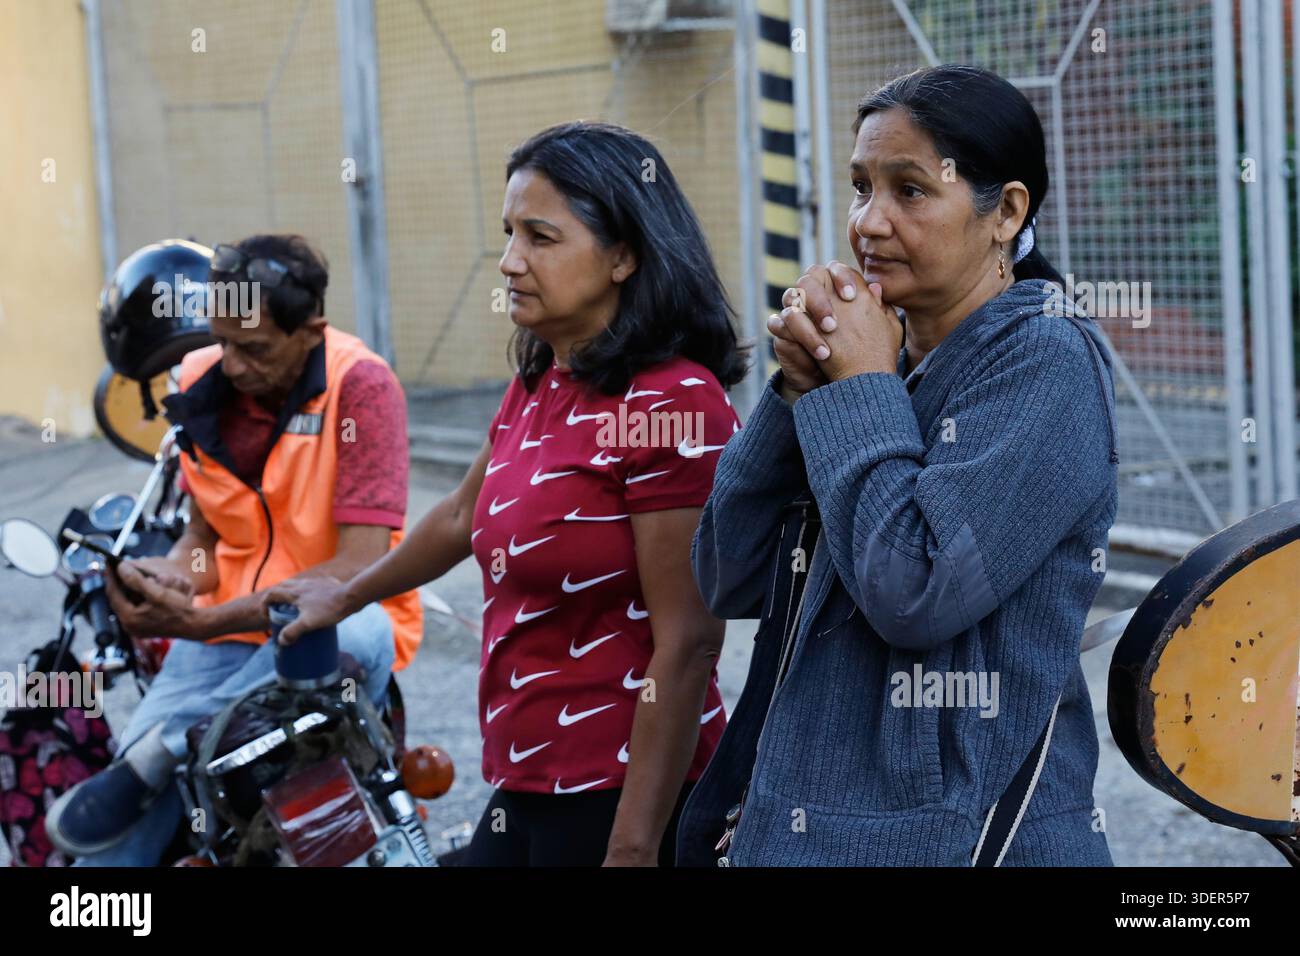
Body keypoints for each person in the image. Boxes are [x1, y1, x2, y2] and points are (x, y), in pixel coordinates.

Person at [267, 121, 748, 866]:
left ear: (624, 254)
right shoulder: (542, 381)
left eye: (540, 238)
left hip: (616, 791)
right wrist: (345, 595)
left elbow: (687, 644)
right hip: (527, 772)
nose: (509, 262)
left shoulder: (673, 407)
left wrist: (632, 845)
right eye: (508, 233)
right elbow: (462, 513)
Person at [692, 65, 1119, 865]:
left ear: (1007, 212)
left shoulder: (1043, 362)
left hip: (960, 839)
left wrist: (856, 386)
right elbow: (728, 573)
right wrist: (797, 389)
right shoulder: (890, 357)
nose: (870, 223)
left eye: (911, 191)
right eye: (860, 188)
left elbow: (914, 590)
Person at [47, 234, 423, 865]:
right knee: (110, 847)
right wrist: (170, 577)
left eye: (254, 348)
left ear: (310, 331)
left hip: (332, 627)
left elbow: (358, 568)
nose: (236, 366)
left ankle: (162, 749)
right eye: (222, 342)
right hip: (224, 641)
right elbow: (204, 535)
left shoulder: (362, 387)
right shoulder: (201, 379)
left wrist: (199, 621)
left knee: (356, 627)